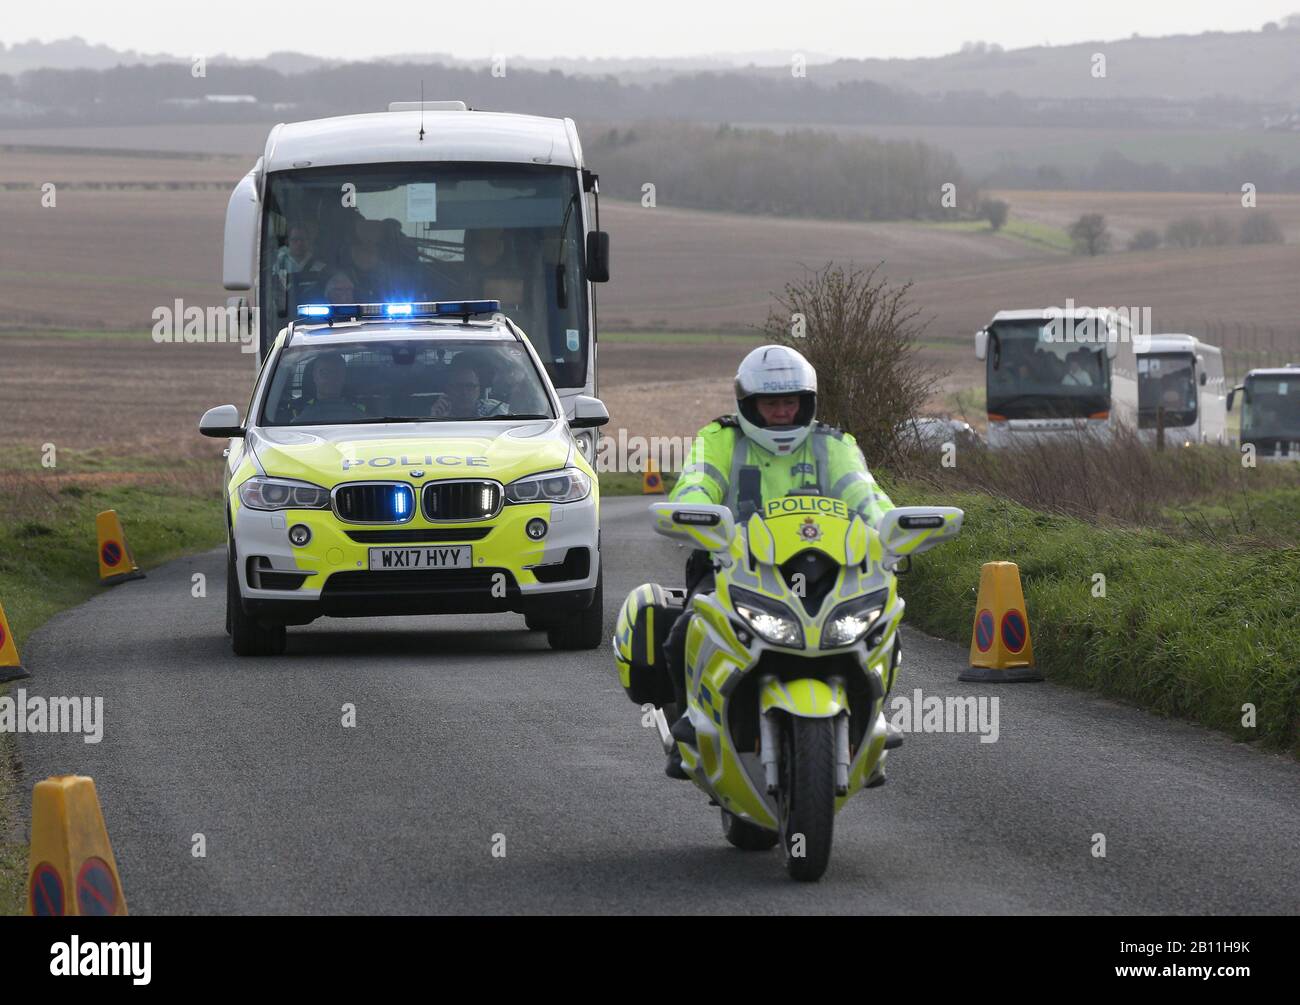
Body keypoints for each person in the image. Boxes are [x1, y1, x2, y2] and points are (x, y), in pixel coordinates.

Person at [661, 344, 894, 778]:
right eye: (771, 404)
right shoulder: (720, 439)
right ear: (750, 404)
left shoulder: (834, 445)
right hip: (731, 568)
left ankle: (870, 725)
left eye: (791, 402)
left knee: (882, 624)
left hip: (825, 571)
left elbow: (865, 492)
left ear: (807, 403)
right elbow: (696, 483)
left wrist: (887, 531)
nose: (783, 413)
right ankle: (688, 730)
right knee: (682, 633)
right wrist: (696, 514)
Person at [292, 353, 366, 424]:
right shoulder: (296, 410)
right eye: (324, 373)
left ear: (344, 377)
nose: (331, 378)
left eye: (337, 373)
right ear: (314, 376)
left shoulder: (364, 411)